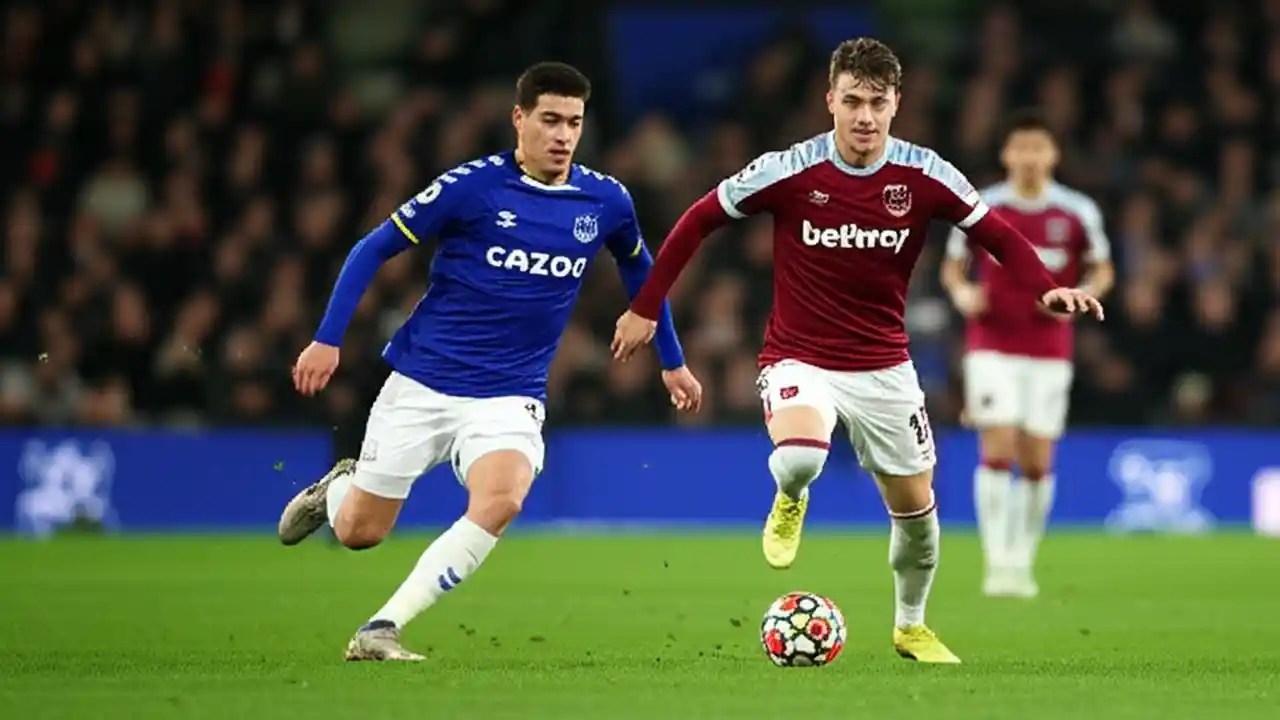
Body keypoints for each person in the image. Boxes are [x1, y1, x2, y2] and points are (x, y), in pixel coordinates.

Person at [611, 38, 1103, 664]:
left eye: (876, 102)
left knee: (920, 523)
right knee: (798, 459)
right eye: (852, 102)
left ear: (896, 103)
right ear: (830, 101)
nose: (864, 117)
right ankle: (790, 500)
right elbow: (699, 219)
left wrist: (1048, 289)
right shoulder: (791, 168)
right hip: (799, 358)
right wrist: (646, 306)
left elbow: (998, 234)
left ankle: (911, 626)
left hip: (885, 368)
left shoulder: (924, 173)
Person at [278, 62, 702, 661]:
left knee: (502, 499)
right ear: (519, 118)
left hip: (509, 394)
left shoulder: (605, 200)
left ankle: (381, 629)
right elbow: (373, 248)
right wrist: (328, 338)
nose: (562, 135)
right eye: (550, 119)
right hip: (424, 382)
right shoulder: (471, 188)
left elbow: (640, 266)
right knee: (359, 533)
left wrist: (670, 357)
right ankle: (338, 490)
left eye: (574, 123)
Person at [940, 110, 1114, 598]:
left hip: (1049, 350)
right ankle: (996, 562)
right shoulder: (983, 208)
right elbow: (952, 268)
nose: (1030, 158)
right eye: (1021, 149)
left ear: (1053, 155)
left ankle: (1023, 559)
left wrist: (1079, 295)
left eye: (1039, 148)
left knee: (1037, 462)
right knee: (997, 449)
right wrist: (963, 295)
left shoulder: (1077, 211)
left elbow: (1103, 270)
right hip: (991, 344)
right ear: (1006, 154)